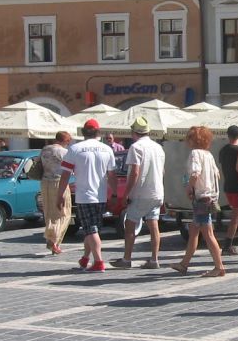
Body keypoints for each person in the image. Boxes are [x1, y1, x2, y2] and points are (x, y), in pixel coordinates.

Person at [58, 119, 117, 273]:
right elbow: (112, 175)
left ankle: (98, 262)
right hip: (101, 195)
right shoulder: (107, 149)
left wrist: (60, 194)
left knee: (90, 230)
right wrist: (115, 193)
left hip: (84, 195)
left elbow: (65, 175)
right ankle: (85, 258)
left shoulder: (75, 149)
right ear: (98, 131)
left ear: (83, 131)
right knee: (92, 229)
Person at [110, 117, 165, 270]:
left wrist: (127, 193)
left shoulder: (136, 147)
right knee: (153, 224)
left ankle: (127, 259)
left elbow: (134, 172)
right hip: (157, 192)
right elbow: (163, 171)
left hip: (141, 193)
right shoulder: (158, 147)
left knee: (130, 224)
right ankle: (154, 259)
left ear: (134, 133)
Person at [172, 126, 225, 277]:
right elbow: (217, 175)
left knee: (208, 233)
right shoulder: (208, 155)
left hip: (201, 197)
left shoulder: (195, 154)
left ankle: (219, 266)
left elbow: (195, 173)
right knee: (194, 231)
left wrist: (189, 187)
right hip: (210, 197)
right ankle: (184, 264)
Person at [40, 131, 73, 254]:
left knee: (49, 212)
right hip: (59, 183)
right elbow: (69, 169)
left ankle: (51, 238)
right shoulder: (64, 152)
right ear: (65, 141)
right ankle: (53, 240)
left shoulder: (45, 149)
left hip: (44, 182)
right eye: (68, 141)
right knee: (64, 213)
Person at [219, 125, 238, 254]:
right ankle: (227, 245)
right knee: (236, 216)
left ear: (228, 135)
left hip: (228, 186)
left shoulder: (223, 150)